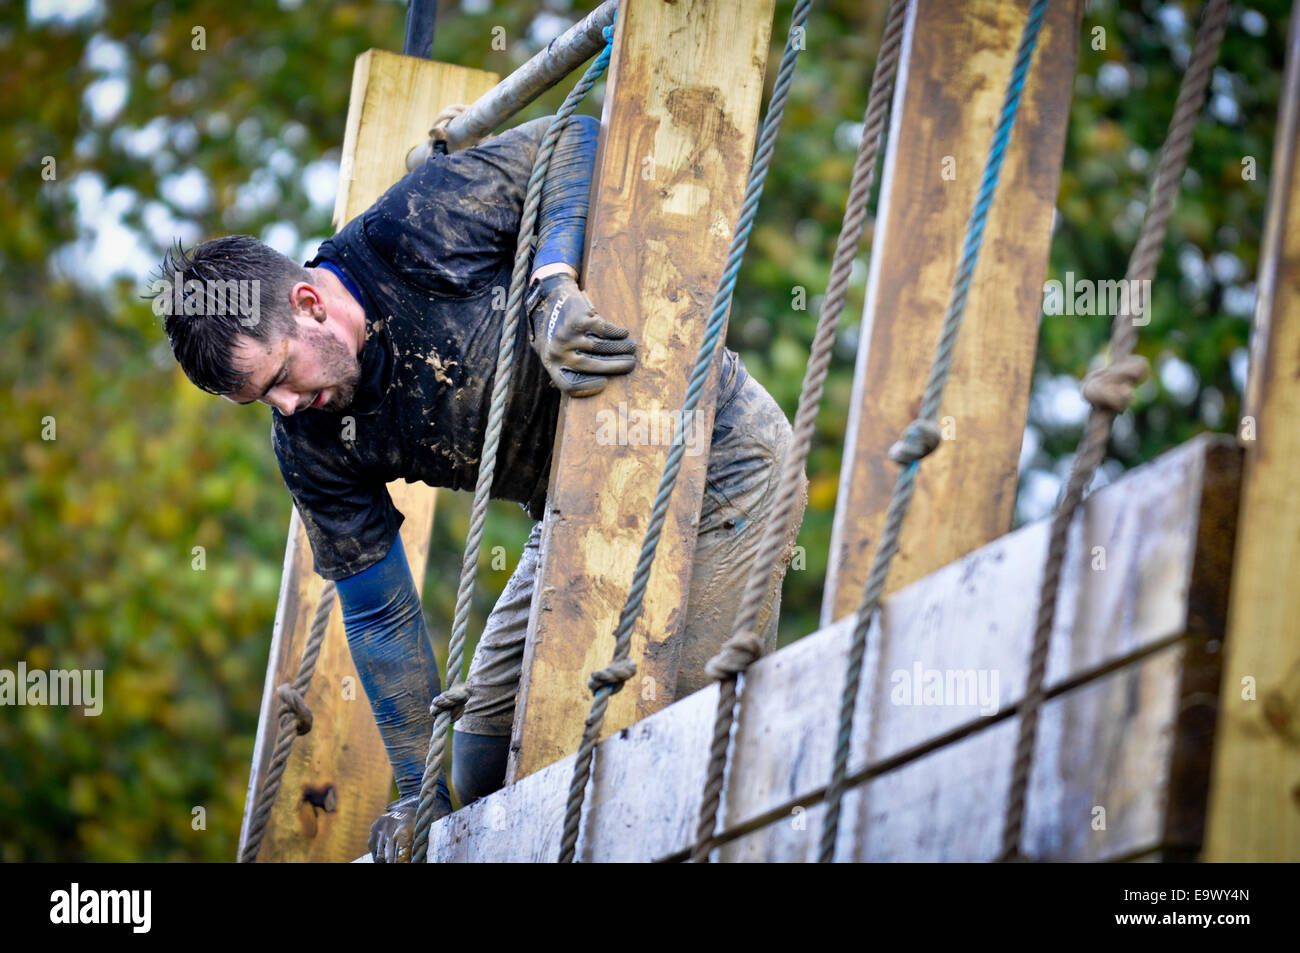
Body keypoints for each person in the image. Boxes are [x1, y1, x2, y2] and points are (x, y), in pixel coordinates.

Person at [152, 113, 806, 863]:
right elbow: (378, 616)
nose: (288, 407)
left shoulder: (413, 227)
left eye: (279, 379)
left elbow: (577, 137)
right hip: (577, 509)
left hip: (718, 466)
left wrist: (552, 284)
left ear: (307, 304)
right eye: (260, 402)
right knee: (482, 761)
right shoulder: (308, 438)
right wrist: (416, 792)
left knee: (682, 740)